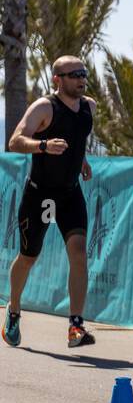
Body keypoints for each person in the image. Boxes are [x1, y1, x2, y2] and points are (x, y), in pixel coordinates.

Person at [4, 56, 98, 349]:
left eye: (84, 73)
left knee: (79, 252)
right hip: (40, 194)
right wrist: (43, 146)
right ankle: (14, 309)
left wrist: (79, 158)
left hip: (69, 193)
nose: (81, 79)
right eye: (74, 75)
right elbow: (15, 141)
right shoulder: (44, 107)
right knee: (29, 256)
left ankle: (75, 326)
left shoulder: (89, 107)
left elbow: (76, 136)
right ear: (57, 80)